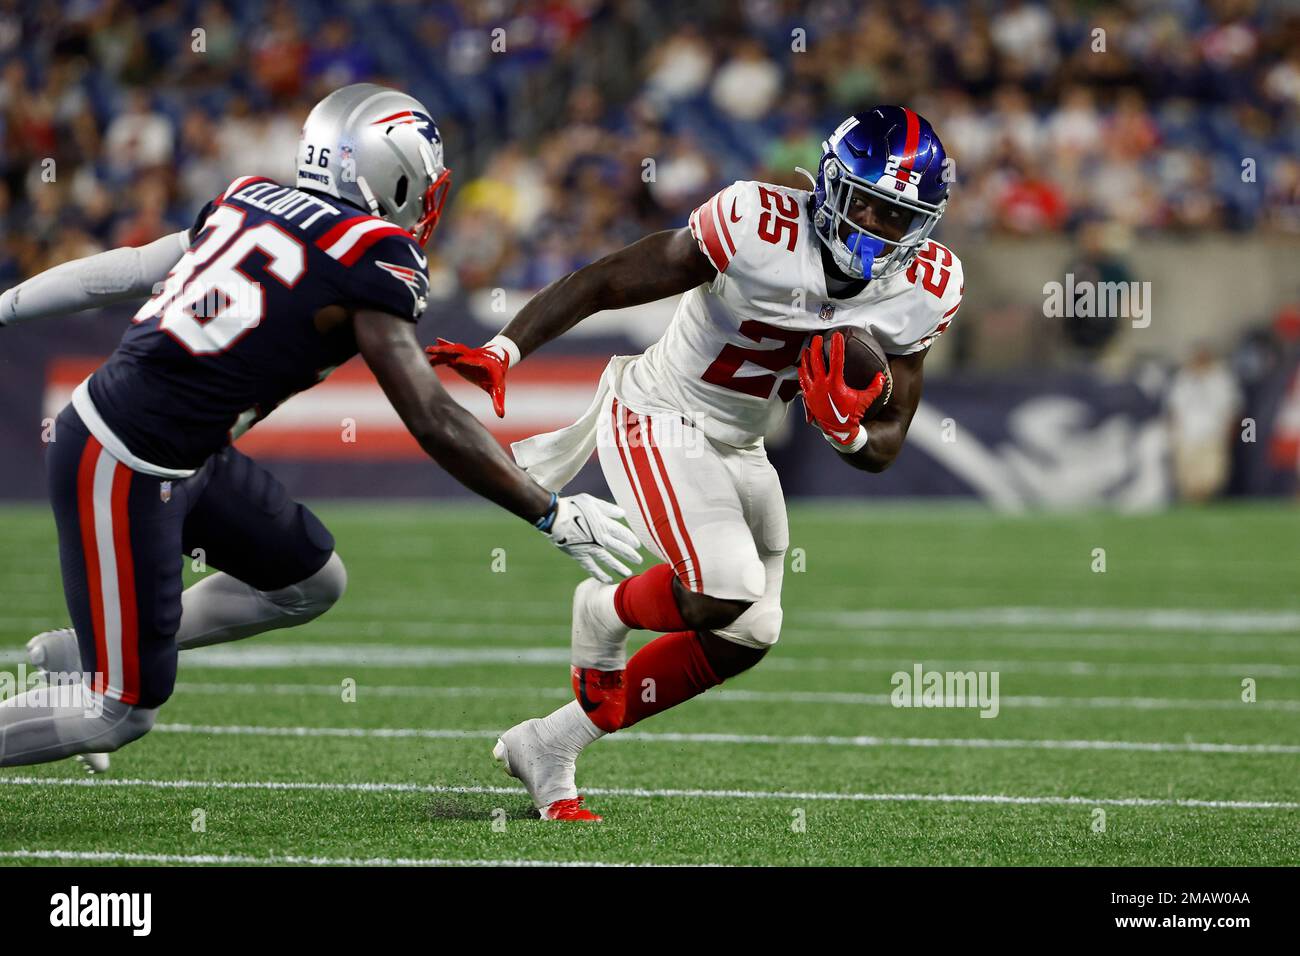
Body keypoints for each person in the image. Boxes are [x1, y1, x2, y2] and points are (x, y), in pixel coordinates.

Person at [0, 83, 640, 772]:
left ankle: (86, 652)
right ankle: (102, 667)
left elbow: (125, 272)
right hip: (123, 457)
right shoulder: (374, 256)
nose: (427, 197)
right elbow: (428, 414)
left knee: (309, 580)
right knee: (120, 710)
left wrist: (6, 307)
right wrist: (547, 510)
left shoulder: (249, 197)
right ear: (390, 171)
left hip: (181, 453)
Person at [429, 107, 964, 820]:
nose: (873, 225)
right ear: (831, 184)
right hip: (657, 411)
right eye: (864, 200)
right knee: (728, 587)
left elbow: (889, 437)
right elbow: (607, 280)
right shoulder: (755, 222)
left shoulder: (927, 284)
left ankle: (550, 744)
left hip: (738, 443)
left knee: (750, 631)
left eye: (897, 215)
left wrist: (846, 435)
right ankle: (604, 607)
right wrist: (505, 349)